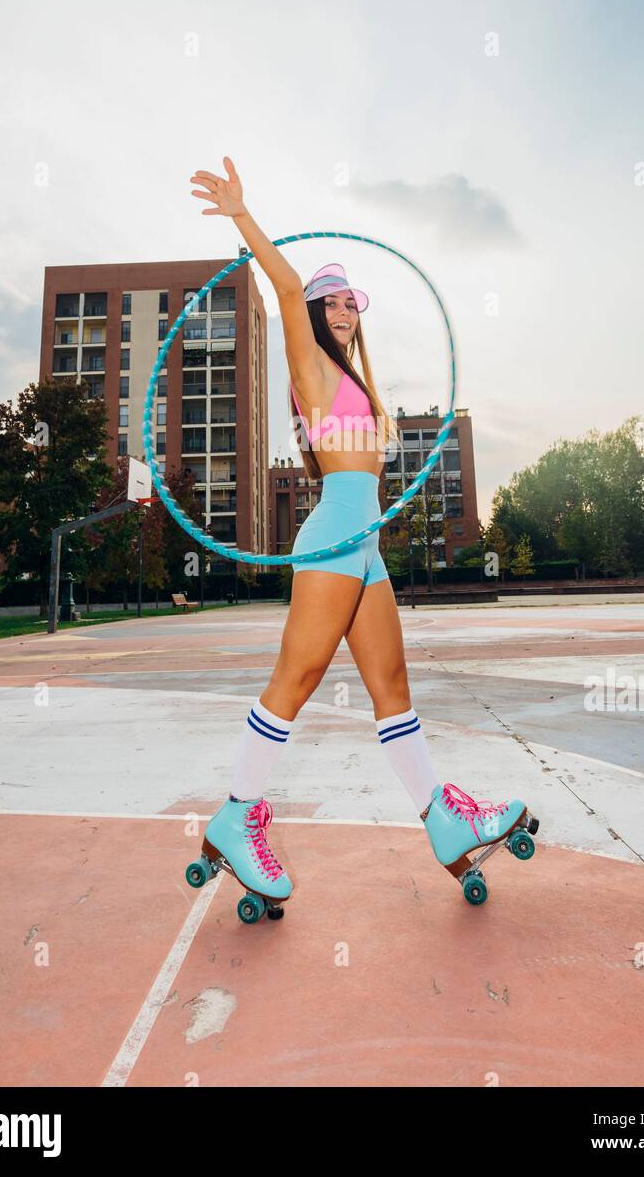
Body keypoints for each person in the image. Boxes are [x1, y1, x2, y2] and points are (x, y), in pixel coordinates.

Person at [188, 158, 532, 915]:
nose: (344, 307)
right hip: (338, 526)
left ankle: (443, 821)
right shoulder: (309, 366)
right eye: (332, 299)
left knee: (392, 690)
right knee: (298, 680)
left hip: (364, 534)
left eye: (350, 301)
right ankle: (237, 815)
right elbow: (282, 290)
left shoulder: (355, 377)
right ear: (314, 311)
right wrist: (245, 217)